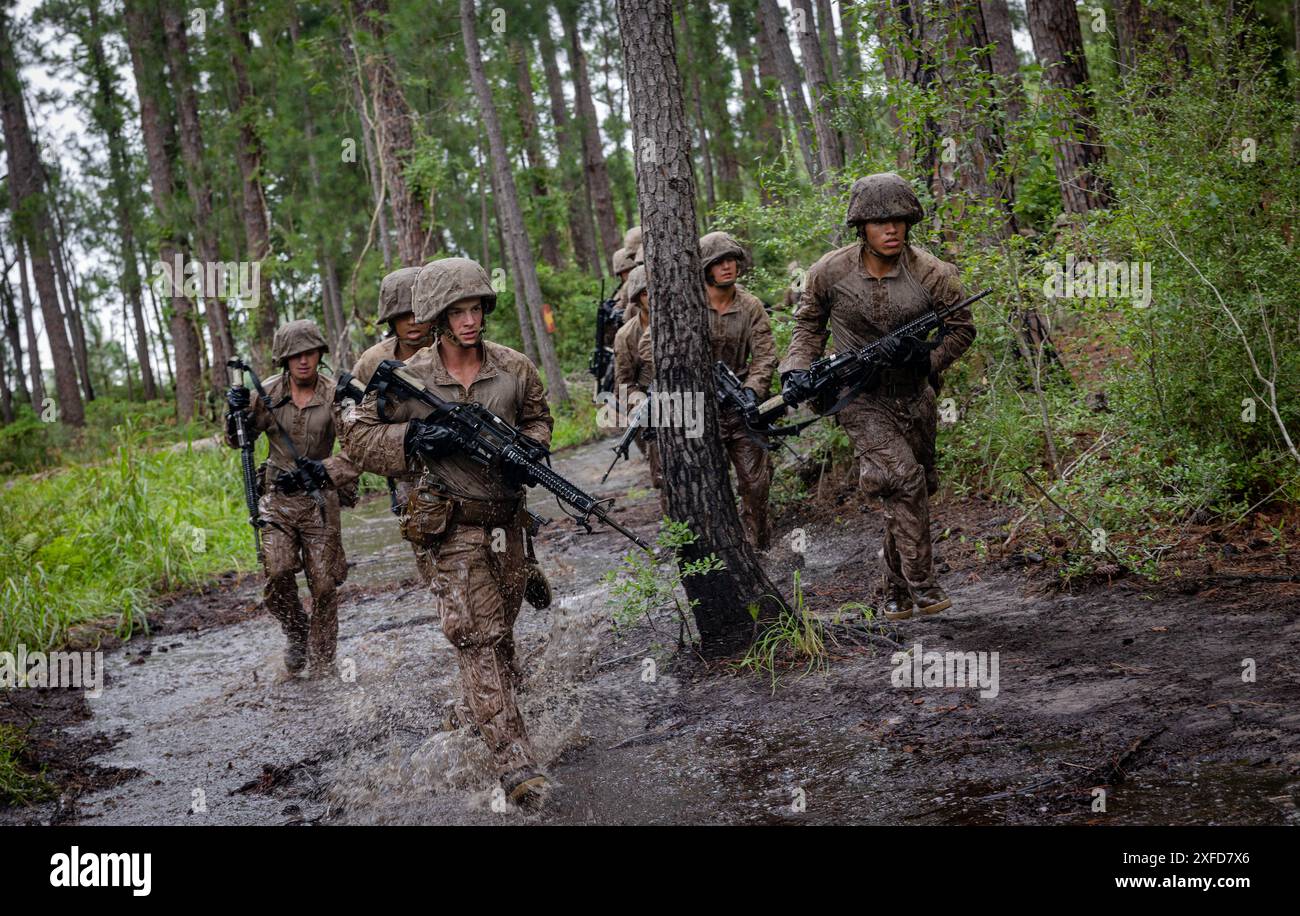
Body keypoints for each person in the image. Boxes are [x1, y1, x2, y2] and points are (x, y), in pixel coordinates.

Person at [345, 257, 554, 807]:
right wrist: (413, 439)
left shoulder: (514, 367)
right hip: (448, 527)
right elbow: (358, 440)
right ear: (437, 317)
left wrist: (531, 447)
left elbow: (538, 418)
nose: (469, 321)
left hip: (507, 522)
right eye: (457, 311)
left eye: (476, 309)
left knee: (501, 630)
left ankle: (475, 712)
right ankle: (515, 762)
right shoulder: (409, 377)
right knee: (476, 636)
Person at [779, 173, 976, 620]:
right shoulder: (830, 271)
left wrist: (924, 358)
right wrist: (794, 371)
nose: (892, 230)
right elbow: (808, 326)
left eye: (900, 220)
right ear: (860, 227)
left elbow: (962, 330)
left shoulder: (934, 273)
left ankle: (894, 589)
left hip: (916, 395)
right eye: (880, 221)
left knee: (915, 486)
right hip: (858, 396)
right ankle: (925, 587)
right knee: (901, 477)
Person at [225, 320, 359, 676]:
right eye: (295, 355)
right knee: (278, 572)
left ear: (319, 354)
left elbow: (360, 451)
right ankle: (296, 631)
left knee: (325, 585)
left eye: (310, 353)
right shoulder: (266, 394)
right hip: (277, 501)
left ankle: (323, 661)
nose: (303, 361)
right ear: (284, 359)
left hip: (320, 502)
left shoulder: (335, 395)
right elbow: (240, 441)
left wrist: (325, 470)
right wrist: (234, 414)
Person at [636, 231, 778, 548]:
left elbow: (766, 355)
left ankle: (759, 546)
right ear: (705, 268)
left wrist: (753, 391)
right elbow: (648, 350)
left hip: (738, 406)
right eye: (718, 262)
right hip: (694, 409)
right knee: (703, 485)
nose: (727, 267)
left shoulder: (750, 305)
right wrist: (690, 369)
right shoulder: (685, 303)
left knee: (755, 484)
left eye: (731, 260)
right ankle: (712, 550)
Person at [612, 264, 663, 495]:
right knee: (663, 478)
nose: (651, 297)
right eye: (644, 293)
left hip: (691, 403)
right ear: (636, 298)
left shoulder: (683, 319)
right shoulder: (625, 336)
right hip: (654, 411)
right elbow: (623, 385)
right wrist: (640, 402)